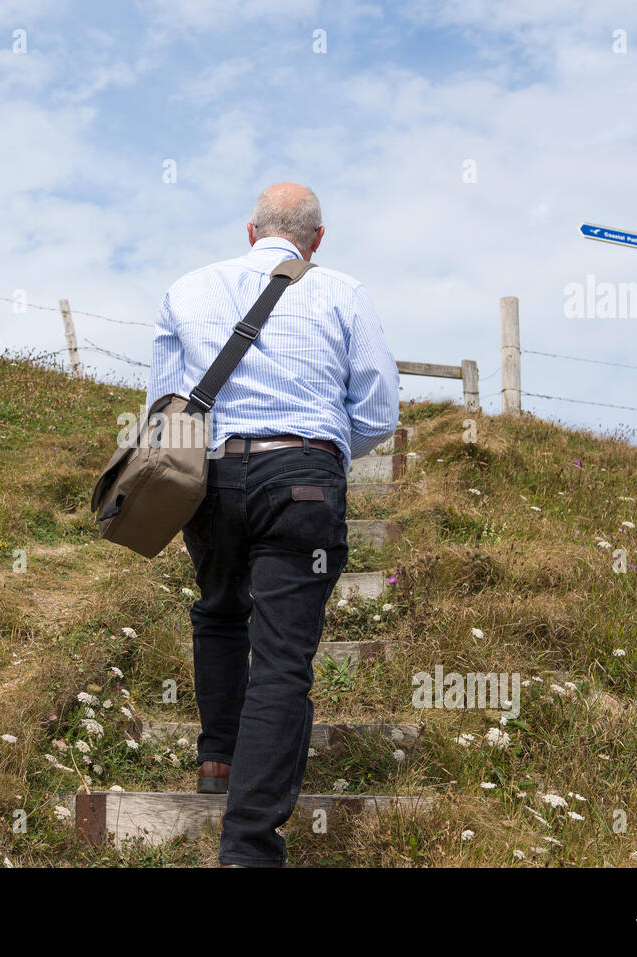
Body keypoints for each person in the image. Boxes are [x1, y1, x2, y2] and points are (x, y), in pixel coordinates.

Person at [145, 182, 399, 867]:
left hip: (213, 481)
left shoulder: (188, 289)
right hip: (304, 484)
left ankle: (217, 760)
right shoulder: (343, 291)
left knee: (221, 611)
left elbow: (163, 411)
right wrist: (315, 440)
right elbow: (377, 412)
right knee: (283, 660)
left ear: (250, 232)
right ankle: (248, 848)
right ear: (317, 239)